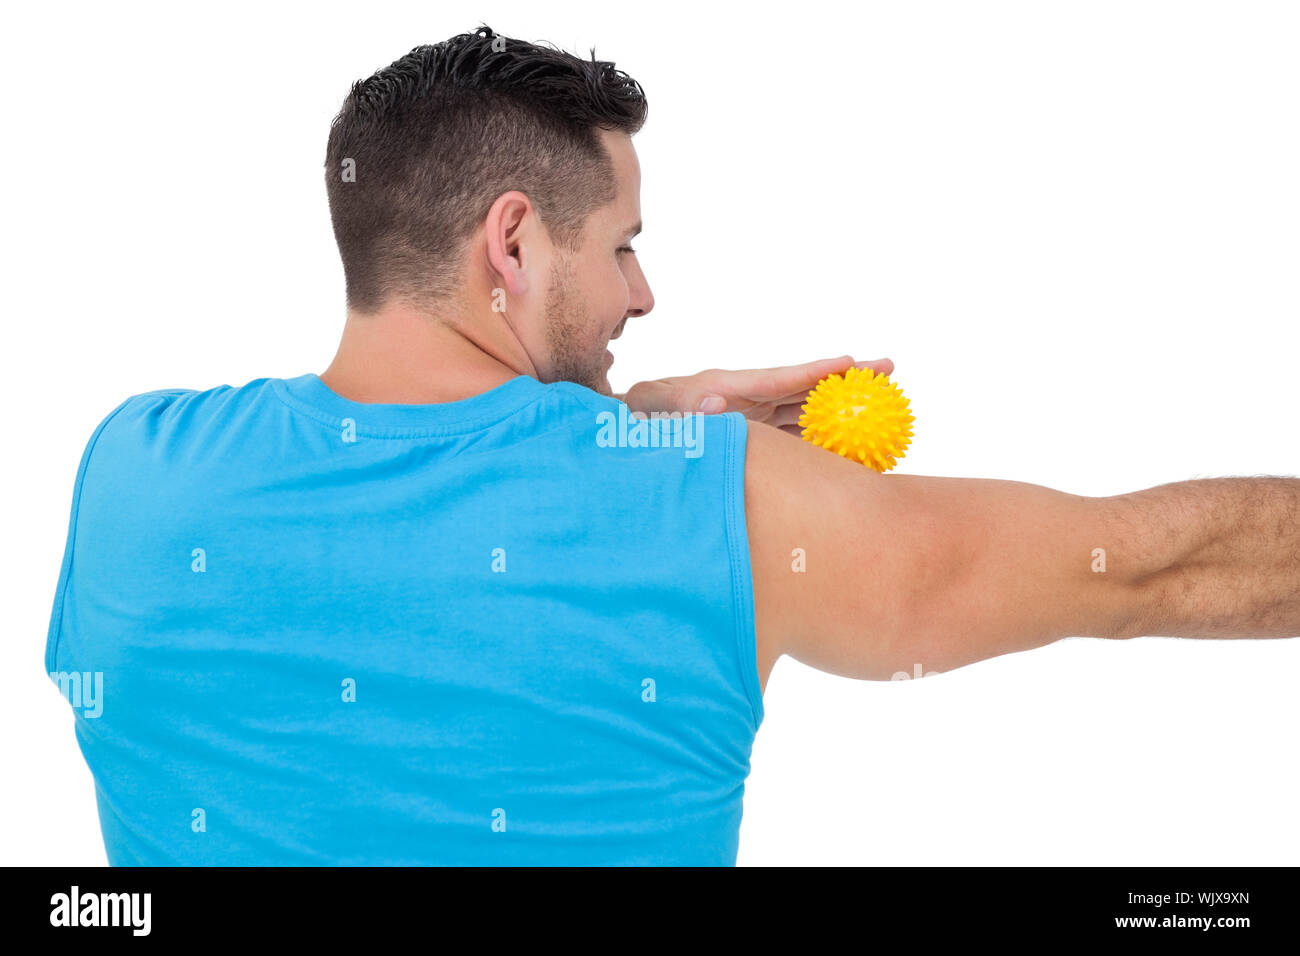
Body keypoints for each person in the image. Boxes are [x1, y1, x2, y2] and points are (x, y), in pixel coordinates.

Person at [46, 25, 1299, 866]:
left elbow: (409, 504)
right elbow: (1142, 571)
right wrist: (657, 457)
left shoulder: (132, 470)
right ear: (515, 243)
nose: (642, 299)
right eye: (625, 244)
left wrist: (628, 426)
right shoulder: (728, 510)